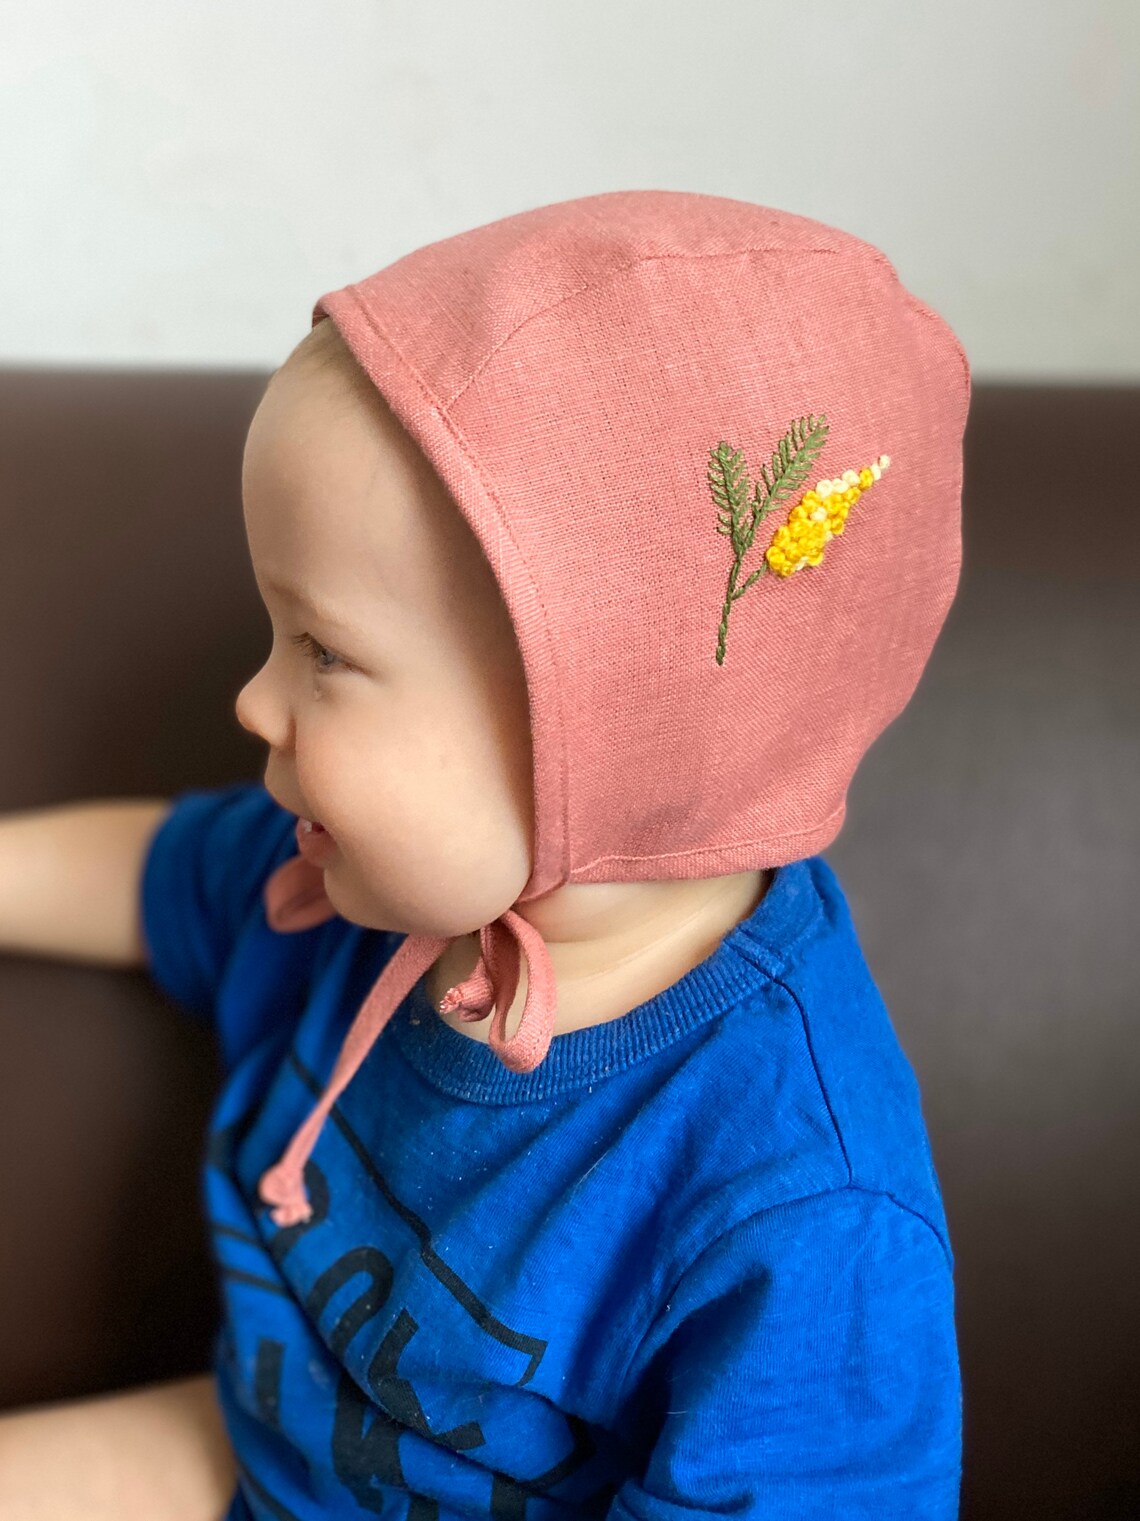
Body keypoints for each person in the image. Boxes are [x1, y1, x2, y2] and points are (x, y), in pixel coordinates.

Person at [1, 189, 969, 1518]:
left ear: (602, 734)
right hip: (255, 1447)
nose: (253, 703)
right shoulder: (374, 877)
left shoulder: (808, 1218)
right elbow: (168, 873)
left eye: (324, 651)